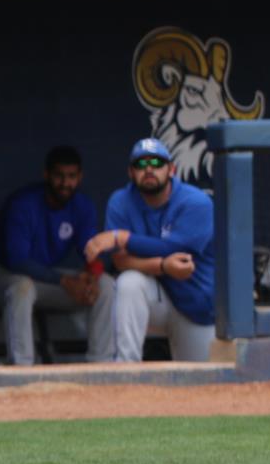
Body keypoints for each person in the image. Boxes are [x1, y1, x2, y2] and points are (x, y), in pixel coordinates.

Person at [83, 136, 215, 363]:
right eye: (141, 164)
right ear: (131, 173)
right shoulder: (121, 201)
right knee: (129, 282)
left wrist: (122, 238)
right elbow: (121, 261)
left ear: (171, 169)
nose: (150, 169)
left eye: (157, 163)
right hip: (155, 301)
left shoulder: (196, 201)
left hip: (195, 304)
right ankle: (126, 368)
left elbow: (178, 249)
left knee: (198, 384)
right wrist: (163, 266)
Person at [0, 145, 105, 365]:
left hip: (45, 279)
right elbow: (18, 261)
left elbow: (91, 250)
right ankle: (22, 366)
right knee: (22, 286)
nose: (65, 183)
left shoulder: (82, 206)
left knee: (107, 286)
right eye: (59, 176)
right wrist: (65, 281)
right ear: (47, 174)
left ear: (80, 177)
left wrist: (93, 276)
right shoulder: (23, 204)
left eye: (71, 176)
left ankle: (102, 363)